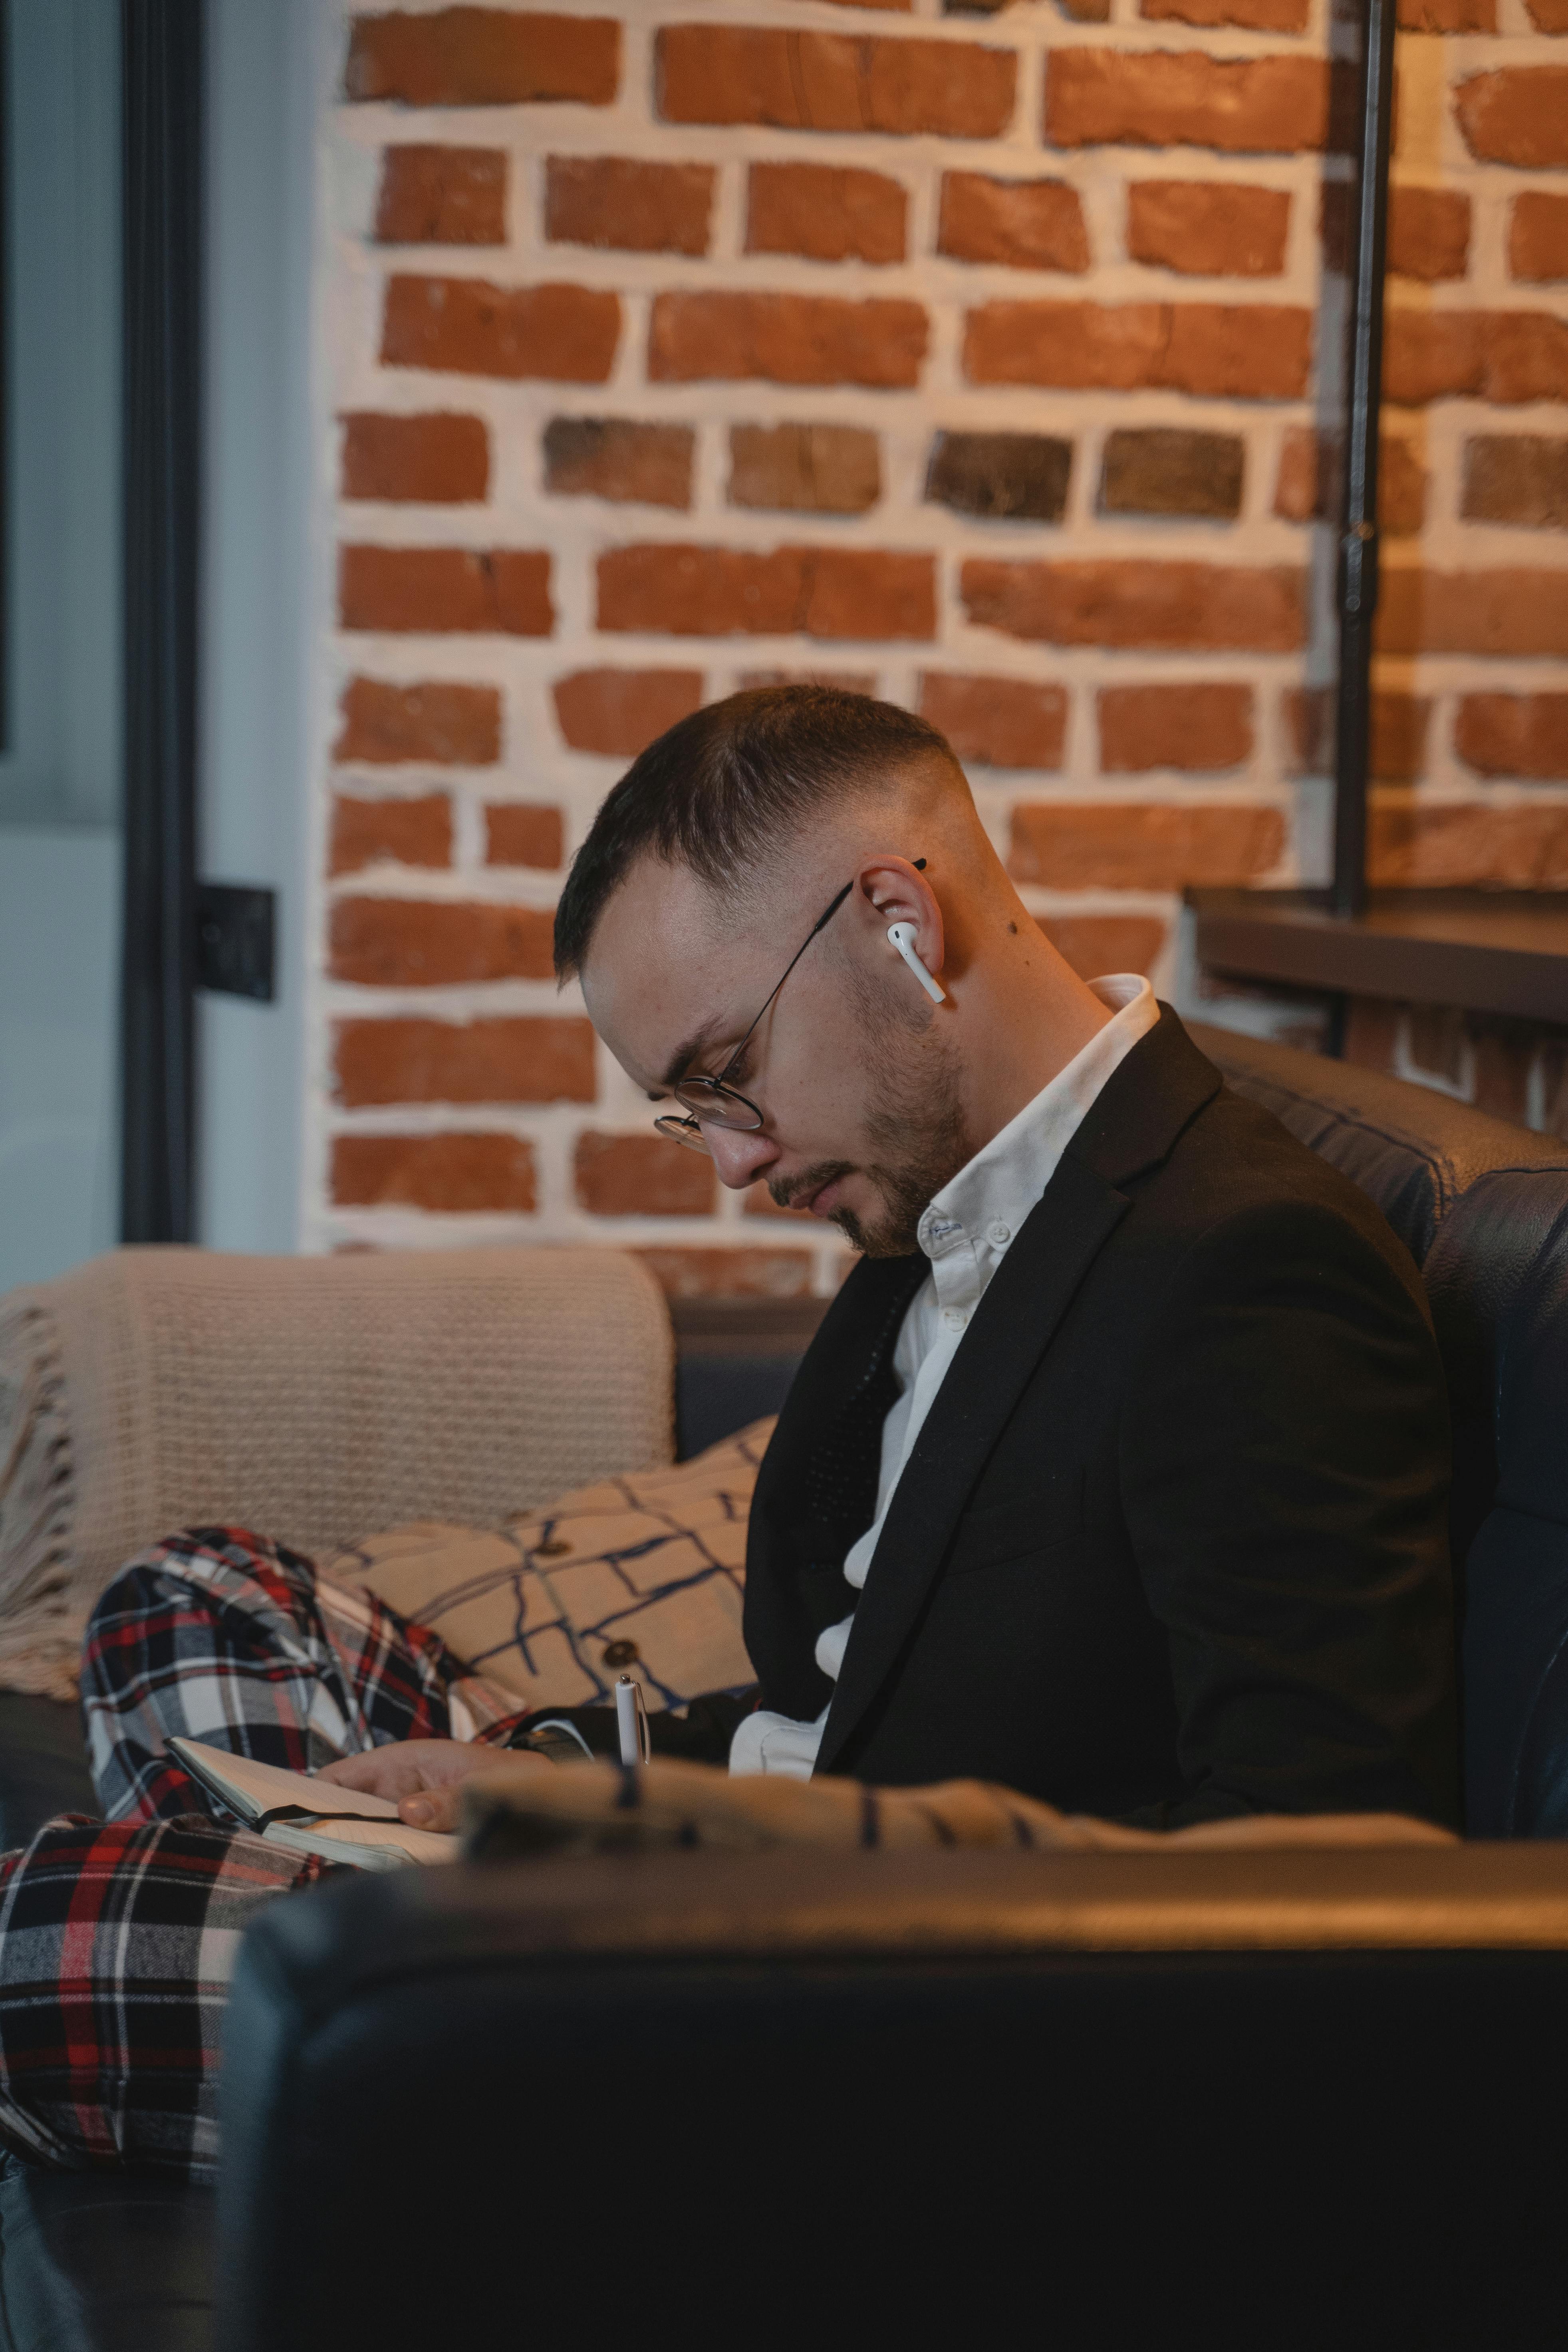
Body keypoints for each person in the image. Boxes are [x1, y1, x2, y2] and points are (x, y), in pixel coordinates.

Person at [0, 686, 1457, 2179]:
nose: (735, 1160)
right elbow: (851, 1699)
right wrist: (562, 1782)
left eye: (725, 1072)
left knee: (43, 1930)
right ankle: (316, 1915)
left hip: (822, 2016)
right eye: (691, 1110)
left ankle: (311, 1942)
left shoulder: (1244, 1265)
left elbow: (1316, 1885)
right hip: (694, 1871)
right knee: (191, 1596)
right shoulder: (935, 1215)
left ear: (900, 917)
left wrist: (669, 1880)